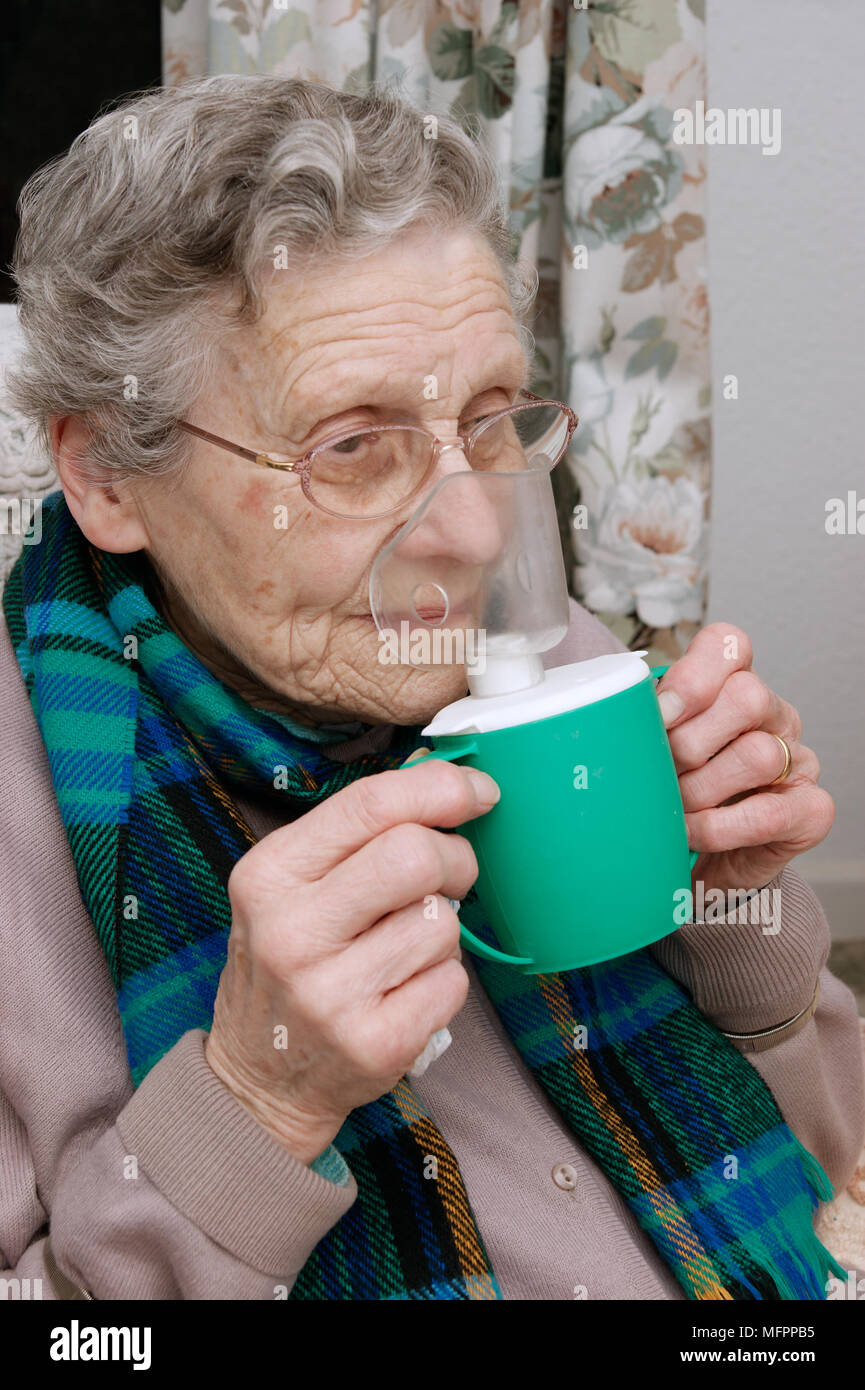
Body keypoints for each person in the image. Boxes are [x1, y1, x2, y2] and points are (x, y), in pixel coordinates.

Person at [1, 74, 862, 1302]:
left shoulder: (537, 656)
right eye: (353, 447)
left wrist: (733, 914)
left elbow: (825, 1163)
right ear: (106, 477)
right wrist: (253, 1102)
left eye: (495, 418)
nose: (471, 531)